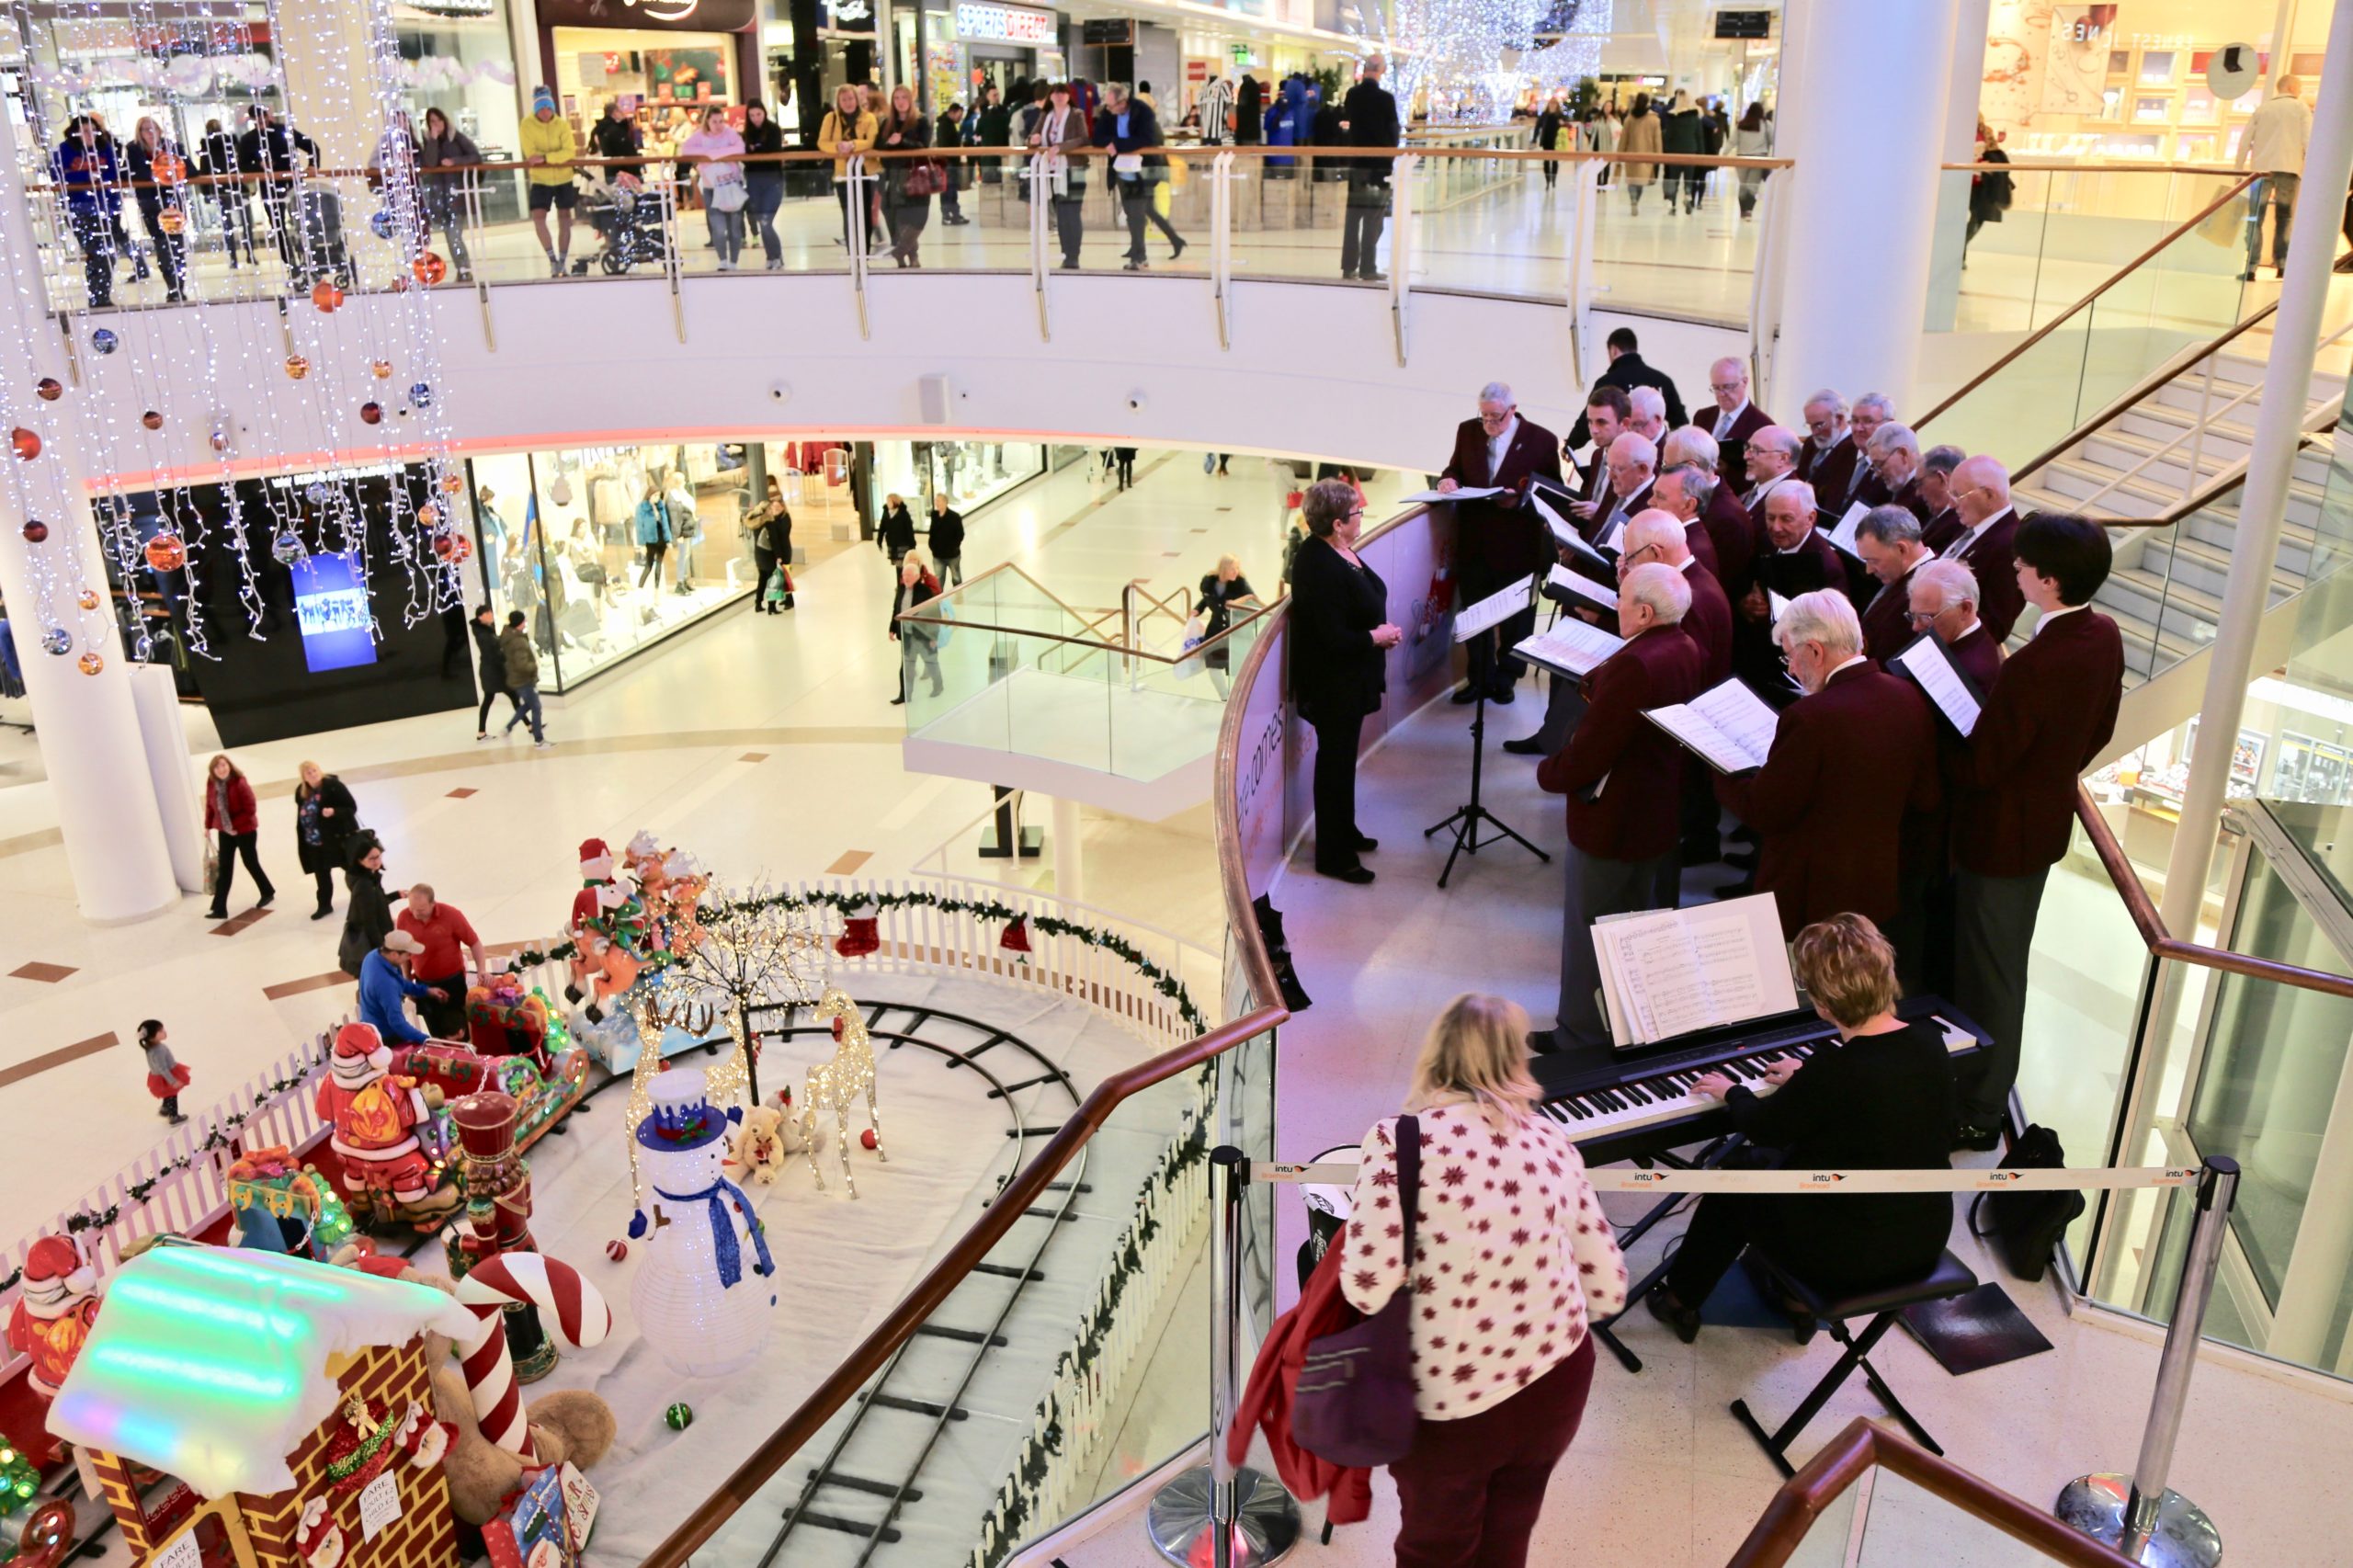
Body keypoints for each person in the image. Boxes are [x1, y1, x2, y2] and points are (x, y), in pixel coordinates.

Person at [1339, 994, 1624, 1562]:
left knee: (1435, 1544)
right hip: (1555, 1383)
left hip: (1451, 1403)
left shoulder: (1400, 1143)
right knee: (1510, 1529)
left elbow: (1367, 1286)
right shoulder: (1554, 1143)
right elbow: (1609, 1286)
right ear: (1518, 1060)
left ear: (1435, 1054)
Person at [1644, 915, 1957, 1342]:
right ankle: (1793, 1304)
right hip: (1922, 1237)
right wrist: (1805, 1079)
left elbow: (1765, 1126)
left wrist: (1733, 1091)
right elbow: (1869, 1102)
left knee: (1735, 1179)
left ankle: (1680, 1300)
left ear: (1824, 1007)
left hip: (1848, 1256)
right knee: (1780, 1170)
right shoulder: (1928, 1042)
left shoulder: (1834, 1069)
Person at [1950, 515, 2123, 1147]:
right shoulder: (2102, 634)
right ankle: (1979, 1093)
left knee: (1993, 976)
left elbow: (1981, 766)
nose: (2014, 572)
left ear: (2047, 580)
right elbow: (2101, 727)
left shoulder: (2034, 664)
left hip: (2001, 838)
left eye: (2021, 566)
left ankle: (1978, 1108)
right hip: (2040, 825)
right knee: (2000, 967)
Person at [1533, 562, 1708, 1051]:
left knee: (1591, 929)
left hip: (1613, 816)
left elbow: (1592, 750)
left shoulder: (1636, 663)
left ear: (1646, 612)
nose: (1617, 606)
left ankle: (1579, 1036)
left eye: (1623, 599)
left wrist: (1550, 773)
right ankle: (1619, 1028)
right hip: (1653, 809)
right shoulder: (1683, 646)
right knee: (1631, 924)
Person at [1717, 591, 1938, 938]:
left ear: (1816, 651)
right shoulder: (1908, 696)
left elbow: (1765, 811)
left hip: (1810, 899)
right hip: (1874, 887)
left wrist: (1721, 767)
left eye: (1789, 655)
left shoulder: (1811, 718)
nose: (1789, 667)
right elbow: (1926, 795)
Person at [1289, 480, 1402, 882]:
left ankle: (1345, 830)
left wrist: (1376, 634)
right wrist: (1376, 636)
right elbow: (1331, 637)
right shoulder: (1316, 563)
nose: (1362, 517)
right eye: (1357, 513)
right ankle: (1333, 855)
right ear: (1338, 523)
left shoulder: (1338, 548)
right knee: (1333, 767)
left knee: (1343, 764)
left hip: (1352, 678)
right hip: (1333, 684)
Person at [1438, 381, 1563, 704]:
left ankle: (1507, 677)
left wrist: (1520, 499)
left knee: (1516, 618)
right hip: (1475, 539)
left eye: (1496, 417)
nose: (1489, 425)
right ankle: (1478, 678)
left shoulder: (1541, 440)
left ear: (1513, 410)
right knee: (1475, 612)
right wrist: (1449, 478)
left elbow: (1552, 492)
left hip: (1519, 542)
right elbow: (1456, 466)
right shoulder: (1468, 432)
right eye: (1484, 417)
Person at [1937, 454, 2024, 641]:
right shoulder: (1971, 524)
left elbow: (1996, 625)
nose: (1951, 504)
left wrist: (1936, 611)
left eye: (1958, 495)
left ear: (1989, 495)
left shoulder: (2009, 545)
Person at [1097, 83, 1181, 270]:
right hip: (1121, 171)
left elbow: (1146, 139)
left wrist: (1116, 145)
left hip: (1143, 171)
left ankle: (1140, 255)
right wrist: (1110, 142)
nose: (1108, 110)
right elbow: (1097, 136)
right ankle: (1141, 250)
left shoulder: (1143, 112)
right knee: (1131, 213)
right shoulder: (1108, 113)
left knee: (1138, 213)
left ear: (1123, 102)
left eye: (1111, 106)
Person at [1564, 326, 1687, 450]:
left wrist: (1570, 446)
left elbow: (1588, 422)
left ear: (1614, 350)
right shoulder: (1663, 380)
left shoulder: (1608, 382)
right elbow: (1681, 425)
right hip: (1659, 454)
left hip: (1621, 452)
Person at [2239, 76, 2310, 281]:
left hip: (2261, 170)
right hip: (2289, 169)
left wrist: (2238, 170)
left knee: (2255, 219)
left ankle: (2251, 267)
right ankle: (2283, 265)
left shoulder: (2263, 109)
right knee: (2284, 218)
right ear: (2291, 87)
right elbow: (2308, 139)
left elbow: (2244, 142)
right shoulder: (2300, 108)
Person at [235, 107, 320, 269]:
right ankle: (291, 263)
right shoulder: (249, 139)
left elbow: (311, 146)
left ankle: (308, 259)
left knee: (300, 221)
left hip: (291, 183)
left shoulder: (282, 131)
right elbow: (243, 166)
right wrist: (259, 166)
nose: (260, 121)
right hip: (270, 186)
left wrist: (312, 167)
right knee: (278, 225)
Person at [397, 884, 485, 1040]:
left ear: (433, 904)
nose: (416, 913)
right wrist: (407, 980)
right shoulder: (404, 918)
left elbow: (474, 943)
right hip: (424, 984)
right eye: (412, 908)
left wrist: (481, 970)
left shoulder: (451, 915)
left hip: (452, 983)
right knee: (436, 1032)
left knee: (460, 1031)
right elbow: (405, 952)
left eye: (421, 909)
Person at [51, 118, 120, 309]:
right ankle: (98, 296)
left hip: (105, 208)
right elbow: (57, 176)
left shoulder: (105, 148)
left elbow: (115, 174)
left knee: (106, 253)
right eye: (85, 131)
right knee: (97, 251)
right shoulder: (64, 150)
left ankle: (100, 295)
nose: (90, 135)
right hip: (79, 208)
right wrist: (84, 177)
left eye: (93, 131)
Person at [1854, 506, 1935, 662]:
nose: (1869, 570)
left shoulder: (1923, 593)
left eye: (1873, 560)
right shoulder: (1901, 578)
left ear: (1901, 549)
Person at [199, 754, 273, 920]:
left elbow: (250, 809)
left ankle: (267, 891)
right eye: (217, 767)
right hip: (225, 831)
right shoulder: (212, 783)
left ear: (229, 766)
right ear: (213, 770)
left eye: (224, 765)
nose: (221, 769)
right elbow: (211, 806)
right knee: (225, 868)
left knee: (250, 862)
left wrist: (234, 826)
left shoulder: (239, 783)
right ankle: (219, 909)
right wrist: (208, 825)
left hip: (245, 830)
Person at [123, 118, 188, 302]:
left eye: (153, 129)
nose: (150, 133)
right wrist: (156, 172)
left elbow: (189, 168)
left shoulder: (172, 147)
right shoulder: (134, 150)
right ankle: (172, 285)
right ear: (140, 133)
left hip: (173, 201)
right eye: (145, 130)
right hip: (150, 201)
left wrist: (173, 172)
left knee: (176, 243)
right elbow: (129, 173)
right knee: (162, 244)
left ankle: (178, 286)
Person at [1029, 81, 1091, 269]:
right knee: (1061, 216)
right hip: (1052, 173)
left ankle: (1074, 255)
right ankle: (1067, 254)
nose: (1059, 96)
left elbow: (1083, 138)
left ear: (1068, 95)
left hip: (1073, 170)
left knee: (1071, 214)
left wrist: (1061, 148)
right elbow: (1032, 138)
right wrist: (1033, 140)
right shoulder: (1045, 116)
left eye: (1062, 92)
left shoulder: (1076, 114)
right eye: (1055, 93)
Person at [679, 105, 748, 270]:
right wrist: (716, 153)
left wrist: (712, 153)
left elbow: (740, 148)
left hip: (732, 185)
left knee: (734, 227)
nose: (718, 125)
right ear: (707, 122)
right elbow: (685, 149)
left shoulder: (730, 133)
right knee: (718, 228)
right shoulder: (699, 136)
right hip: (711, 187)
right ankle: (722, 260)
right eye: (714, 121)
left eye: (720, 121)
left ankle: (734, 261)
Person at [415, 107, 481, 282]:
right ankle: (462, 269)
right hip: (440, 197)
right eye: (432, 122)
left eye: (439, 120)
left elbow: (475, 156)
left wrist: (455, 162)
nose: (436, 125)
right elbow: (429, 162)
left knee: (454, 236)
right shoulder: (429, 141)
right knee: (450, 236)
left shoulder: (456, 137)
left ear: (445, 120)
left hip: (457, 195)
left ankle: (464, 268)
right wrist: (434, 141)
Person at [519, 85, 578, 277]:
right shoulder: (527, 125)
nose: (545, 112)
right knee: (538, 218)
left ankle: (562, 260)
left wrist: (545, 159)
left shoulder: (561, 124)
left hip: (564, 178)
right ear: (536, 109)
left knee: (565, 220)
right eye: (541, 109)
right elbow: (530, 154)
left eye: (548, 108)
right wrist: (554, 157)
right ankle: (552, 258)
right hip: (540, 180)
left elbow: (569, 151)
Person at [290, 760, 359, 920]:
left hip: (336, 840)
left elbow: (351, 808)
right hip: (314, 842)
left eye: (314, 770)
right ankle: (324, 905)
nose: (313, 774)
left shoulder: (334, 786)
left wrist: (334, 811)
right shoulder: (301, 791)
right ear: (303, 777)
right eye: (308, 773)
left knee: (351, 869)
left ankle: (363, 896)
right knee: (321, 875)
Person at [878, 85, 932, 267]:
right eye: (896, 98)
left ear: (910, 100)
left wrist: (902, 141)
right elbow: (880, 148)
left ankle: (899, 251)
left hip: (916, 175)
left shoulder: (921, 121)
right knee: (898, 217)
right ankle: (910, 256)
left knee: (916, 218)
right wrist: (890, 144)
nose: (900, 102)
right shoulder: (887, 123)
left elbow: (923, 145)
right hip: (893, 176)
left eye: (904, 97)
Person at [358, 929, 439, 1047]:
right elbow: (397, 1024)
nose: (409, 958)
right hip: (386, 1038)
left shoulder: (373, 956)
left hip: (370, 1023)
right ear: (395, 954)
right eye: (408, 954)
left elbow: (400, 982)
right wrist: (426, 1040)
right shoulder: (386, 985)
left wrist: (426, 991)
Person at [1195, 553, 1257, 698]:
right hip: (1216, 629)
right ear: (1223, 569)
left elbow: (1251, 597)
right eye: (1233, 568)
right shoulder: (1209, 581)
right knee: (1213, 664)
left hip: (1238, 630)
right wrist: (1198, 608)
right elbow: (1207, 598)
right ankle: (1224, 696)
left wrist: (1236, 603)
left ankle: (1239, 697)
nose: (1236, 571)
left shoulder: (1240, 582)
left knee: (1239, 666)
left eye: (1237, 567)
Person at [1707, 356, 1771, 492]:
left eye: (1728, 387)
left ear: (1745, 382)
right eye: (1716, 388)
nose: (1722, 394)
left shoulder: (1764, 426)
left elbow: (1763, 474)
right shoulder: (1703, 417)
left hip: (1735, 497)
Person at [199, 117, 256, 267]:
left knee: (228, 225)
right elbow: (242, 162)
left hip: (221, 188)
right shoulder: (231, 142)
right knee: (246, 222)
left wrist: (206, 192)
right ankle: (250, 253)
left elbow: (204, 168)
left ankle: (233, 258)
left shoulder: (207, 145)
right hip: (237, 186)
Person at [337, 832, 395, 977]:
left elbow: (377, 903)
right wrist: (382, 950)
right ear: (360, 861)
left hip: (377, 939)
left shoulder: (371, 878)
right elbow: (369, 921)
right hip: (372, 944)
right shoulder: (365, 885)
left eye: (379, 857)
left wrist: (396, 895)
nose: (377, 861)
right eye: (372, 858)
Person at [736, 100, 786, 268]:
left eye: (758, 114)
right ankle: (771, 256)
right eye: (752, 115)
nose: (756, 118)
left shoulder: (773, 130)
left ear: (764, 113)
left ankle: (777, 255)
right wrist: (755, 149)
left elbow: (773, 150)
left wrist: (754, 149)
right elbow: (745, 156)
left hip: (773, 181)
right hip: (753, 181)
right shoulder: (746, 135)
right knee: (761, 221)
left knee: (766, 221)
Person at [1795, 389, 1859, 515]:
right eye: (1810, 425)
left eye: (1819, 425)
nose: (1814, 432)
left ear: (1840, 419)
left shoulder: (1855, 450)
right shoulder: (1811, 443)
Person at [889, 555, 943, 705]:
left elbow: (934, 616)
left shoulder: (925, 592)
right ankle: (904, 694)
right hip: (906, 636)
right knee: (906, 667)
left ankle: (938, 686)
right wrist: (892, 628)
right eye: (904, 575)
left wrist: (933, 638)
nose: (905, 578)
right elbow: (896, 609)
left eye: (909, 575)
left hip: (923, 635)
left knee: (931, 662)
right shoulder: (900, 589)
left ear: (917, 576)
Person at [1964, 119, 2012, 258]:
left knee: (1978, 219)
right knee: (1972, 219)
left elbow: (1994, 156)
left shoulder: (1985, 132)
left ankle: (1960, 251)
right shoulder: (1965, 132)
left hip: (1980, 187)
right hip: (1965, 184)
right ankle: (1958, 252)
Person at [500, 609, 548, 747]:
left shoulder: (508, 636)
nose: (526, 622)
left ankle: (508, 727)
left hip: (516, 678)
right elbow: (522, 664)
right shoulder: (518, 641)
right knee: (536, 707)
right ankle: (539, 739)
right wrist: (534, 665)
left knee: (527, 705)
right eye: (524, 620)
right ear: (520, 623)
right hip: (524, 679)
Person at [747, 476, 794, 612]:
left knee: (780, 577)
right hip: (774, 554)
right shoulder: (769, 523)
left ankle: (784, 601)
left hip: (779, 553)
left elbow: (781, 536)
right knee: (776, 579)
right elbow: (774, 540)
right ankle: (774, 605)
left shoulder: (778, 520)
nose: (774, 505)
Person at [137, 1019, 190, 1126]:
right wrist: (173, 1081)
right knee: (172, 1094)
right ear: (152, 1037)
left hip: (157, 1075)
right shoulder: (158, 1050)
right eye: (160, 1031)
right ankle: (173, 1116)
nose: (164, 1032)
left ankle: (165, 1108)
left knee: (167, 1093)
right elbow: (163, 1068)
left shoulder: (150, 1047)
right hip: (166, 1075)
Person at [1659, 89, 1702, 214]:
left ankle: (1673, 205)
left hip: (1675, 153)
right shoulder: (1695, 117)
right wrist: (1701, 154)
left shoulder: (1673, 117)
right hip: (1691, 151)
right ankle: (1688, 196)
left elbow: (1668, 137)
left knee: (1674, 179)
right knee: (1689, 179)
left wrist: (1666, 152)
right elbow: (1699, 137)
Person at [1918, 444, 1968, 552]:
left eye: (1920, 483)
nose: (1918, 493)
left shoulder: (1960, 522)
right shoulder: (1938, 514)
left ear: (1941, 479)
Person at [1617, 91, 1660, 211]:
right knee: (1641, 181)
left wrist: (1619, 153)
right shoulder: (1654, 119)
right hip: (1647, 155)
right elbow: (1657, 139)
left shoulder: (1629, 118)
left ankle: (1633, 199)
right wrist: (1659, 156)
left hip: (1631, 154)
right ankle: (1636, 200)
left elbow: (1623, 138)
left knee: (1632, 180)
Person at [665, 470, 700, 590]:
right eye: (682, 480)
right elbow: (675, 519)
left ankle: (684, 579)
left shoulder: (681, 494)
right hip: (681, 532)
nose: (685, 482)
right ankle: (680, 582)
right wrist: (677, 534)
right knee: (682, 556)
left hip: (687, 530)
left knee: (686, 555)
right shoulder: (673, 498)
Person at [632, 477, 671, 589]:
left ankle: (657, 589)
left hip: (661, 539)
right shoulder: (642, 508)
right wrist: (642, 544)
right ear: (649, 495)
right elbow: (639, 526)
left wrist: (668, 539)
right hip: (650, 540)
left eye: (658, 495)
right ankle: (640, 588)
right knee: (648, 566)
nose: (657, 498)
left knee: (659, 564)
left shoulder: (660, 506)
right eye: (655, 495)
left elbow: (665, 523)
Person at [1734, 101, 1770, 220]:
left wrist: (1723, 155)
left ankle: (1742, 210)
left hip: (1741, 158)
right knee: (1752, 186)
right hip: (1758, 158)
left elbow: (1732, 140)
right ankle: (1748, 210)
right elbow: (1773, 139)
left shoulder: (1742, 124)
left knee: (1743, 185)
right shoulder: (1765, 124)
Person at [935, 99, 967, 225]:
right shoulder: (945, 126)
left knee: (950, 189)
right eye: (959, 114)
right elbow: (946, 145)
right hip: (948, 163)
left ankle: (952, 214)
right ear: (953, 112)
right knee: (949, 190)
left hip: (949, 162)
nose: (960, 118)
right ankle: (950, 214)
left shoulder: (947, 124)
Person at [928, 492, 966, 585]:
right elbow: (932, 533)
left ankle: (958, 596)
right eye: (936, 501)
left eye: (939, 501)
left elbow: (960, 534)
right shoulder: (934, 516)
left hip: (952, 555)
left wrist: (954, 546)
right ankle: (939, 598)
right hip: (938, 555)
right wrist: (932, 546)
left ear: (945, 502)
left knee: (956, 578)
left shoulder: (954, 517)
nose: (937, 503)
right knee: (938, 579)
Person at [1534, 92, 1564, 190]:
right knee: (1546, 161)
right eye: (1551, 103)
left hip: (1556, 141)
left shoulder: (1560, 115)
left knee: (1555, 161)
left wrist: (1562, 123)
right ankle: (1547, 181)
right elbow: (1538, 127)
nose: (1552, 105)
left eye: (1554, 103)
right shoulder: (1544, 115)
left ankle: (1554, 179)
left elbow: (1566, 126)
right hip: (1546, 140)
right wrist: (1534, 138)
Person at [878, 492, 918, 562]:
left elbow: (909, 531)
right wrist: (879, 540)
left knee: (902, 565)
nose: (887, 503)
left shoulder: (904, 514)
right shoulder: (886, 514)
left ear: (895, 502)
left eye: (889, 501)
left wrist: (912, 545)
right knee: (898, 565)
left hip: (903, 545)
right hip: (892, 544)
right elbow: (882, 528)